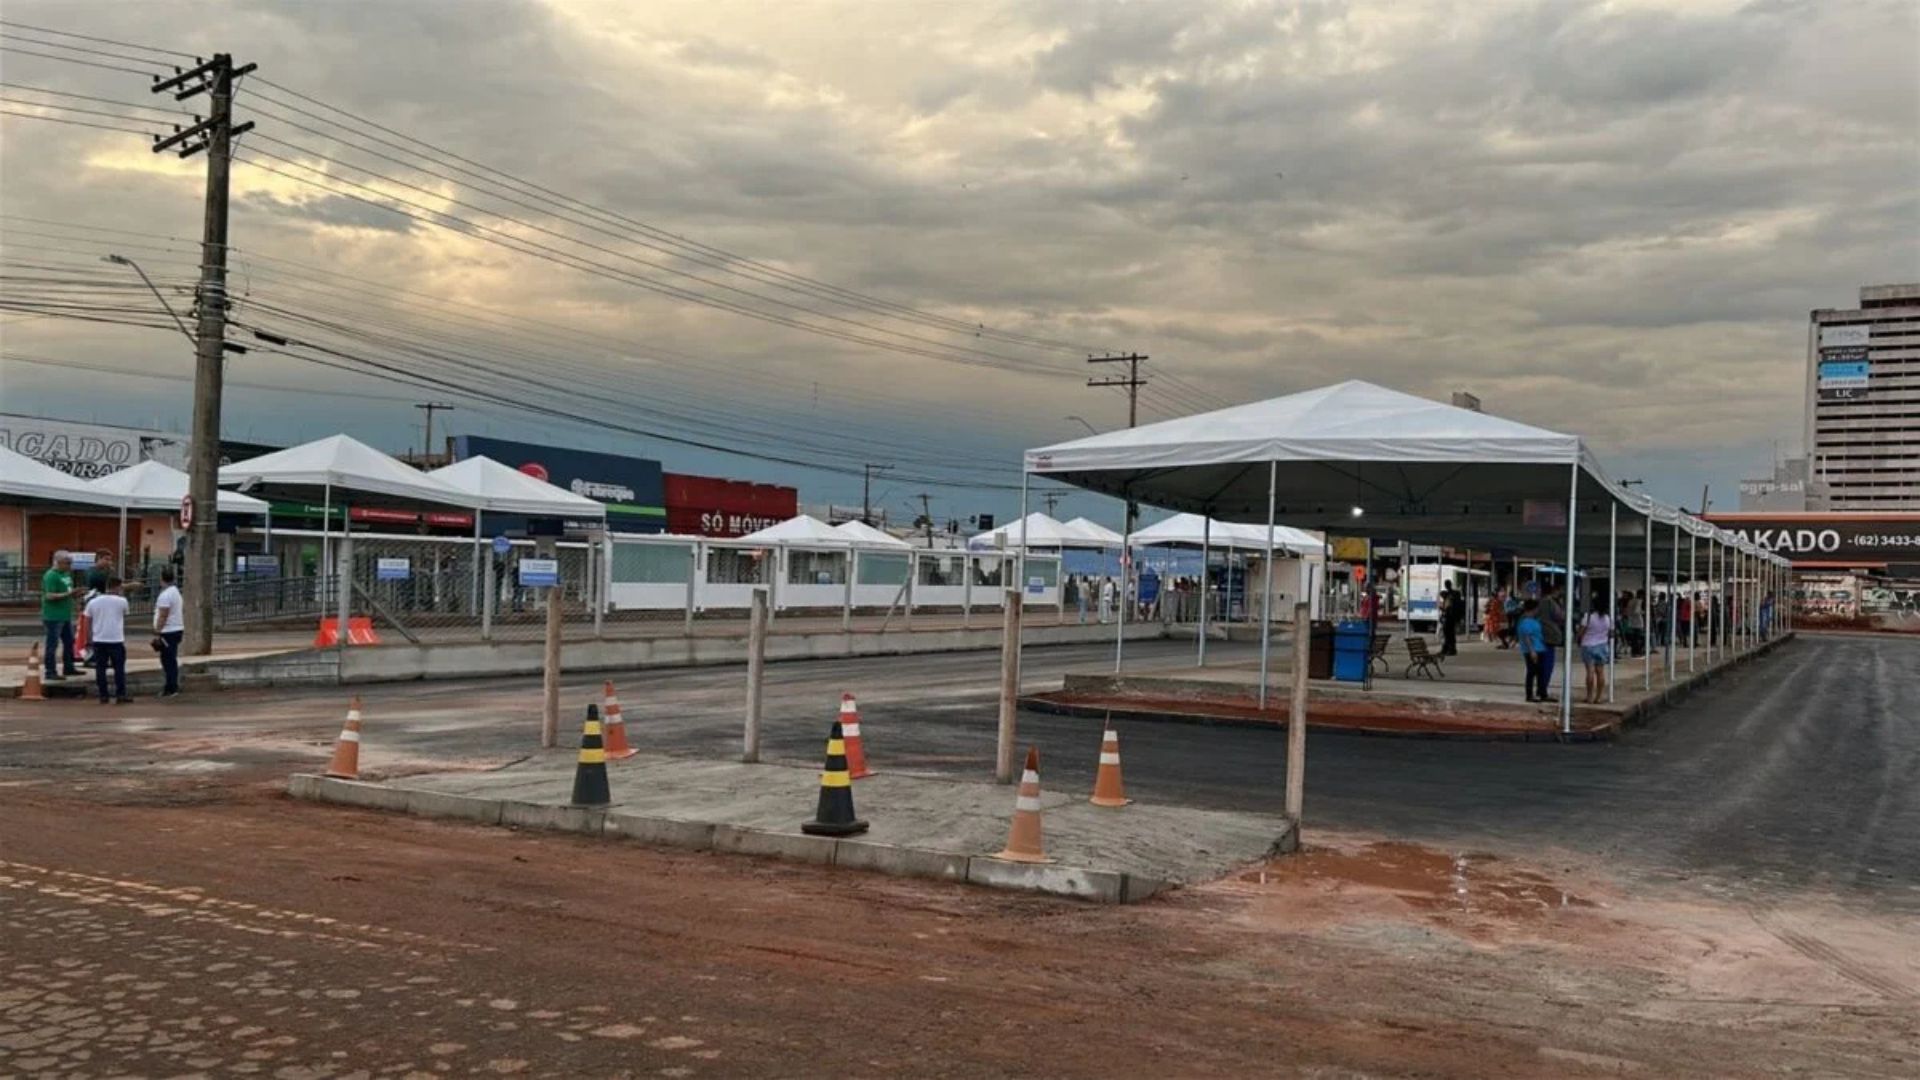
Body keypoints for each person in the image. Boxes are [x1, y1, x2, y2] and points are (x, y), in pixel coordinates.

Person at [84, 575, 132, 705]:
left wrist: (88, 638)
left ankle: (103, 695)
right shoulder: (122, 601)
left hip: (99, 639)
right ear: (118, 587)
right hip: (116, 639)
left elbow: (87, 621)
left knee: (100, 668)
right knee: (119, 668)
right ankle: (120, 694)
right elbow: (124, 615)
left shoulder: (93, 602)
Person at [40, 551, 82, 681]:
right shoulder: (51, 576)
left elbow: (67, 591)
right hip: (53, 615)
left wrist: (75, 595)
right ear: (58, 562)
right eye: (67, 563)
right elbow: (49, 595)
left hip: (65, 614)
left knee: (69, 642)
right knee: (52, 644)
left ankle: (69, 667)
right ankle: (50, 671)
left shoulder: (66, 574)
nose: (70, 566)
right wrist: (68, 595)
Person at [154, 566, 185, 698]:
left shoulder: (165, 595)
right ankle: (171, 686)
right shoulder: (175, 592)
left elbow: (163, 615)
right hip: (175, 629)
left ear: (161, 578)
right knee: (169, 659)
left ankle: (171, 687)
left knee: (168, 660)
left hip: (168, 631)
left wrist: (157, 630)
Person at [1577, 594, 1613, 705]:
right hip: (1602, 646)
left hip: (1588, 645)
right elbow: (1611, 634)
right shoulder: (1608, 619)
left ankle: (1589, 696)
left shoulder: (1588, 617)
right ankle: (1599, 697)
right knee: (1600, 672)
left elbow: (1581, 632)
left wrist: (1578, 639)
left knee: (1590, 671)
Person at [1516, 599, 1548, 703]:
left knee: (1541, 673)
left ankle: (1542, 693)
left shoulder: (1535, 620)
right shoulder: (1525, 622)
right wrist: (1532, 651)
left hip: (1540, 648)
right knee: (1532, 672)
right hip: (1533, 650)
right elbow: (1527, 637)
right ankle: (1529, 695)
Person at [1537, 583, 1565, 703]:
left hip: (1540, 636)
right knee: (1547, 665)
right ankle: (1543, 691)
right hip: (1549, 636)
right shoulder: (1550, 602)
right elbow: (1560, 616)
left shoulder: (1539, 602)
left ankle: (1540, 689)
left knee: (1540, 666)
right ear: (1554, 591)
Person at [1439, 584, 1462, 656]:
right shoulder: (1454, 595)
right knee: (1449, 635)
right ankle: (1447, 649)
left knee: (1448, 635)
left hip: (1449, 618)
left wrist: (1442, 609)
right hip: (1451, 618)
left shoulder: (1449, 597)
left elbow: (1447, 609)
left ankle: (1449, 649)